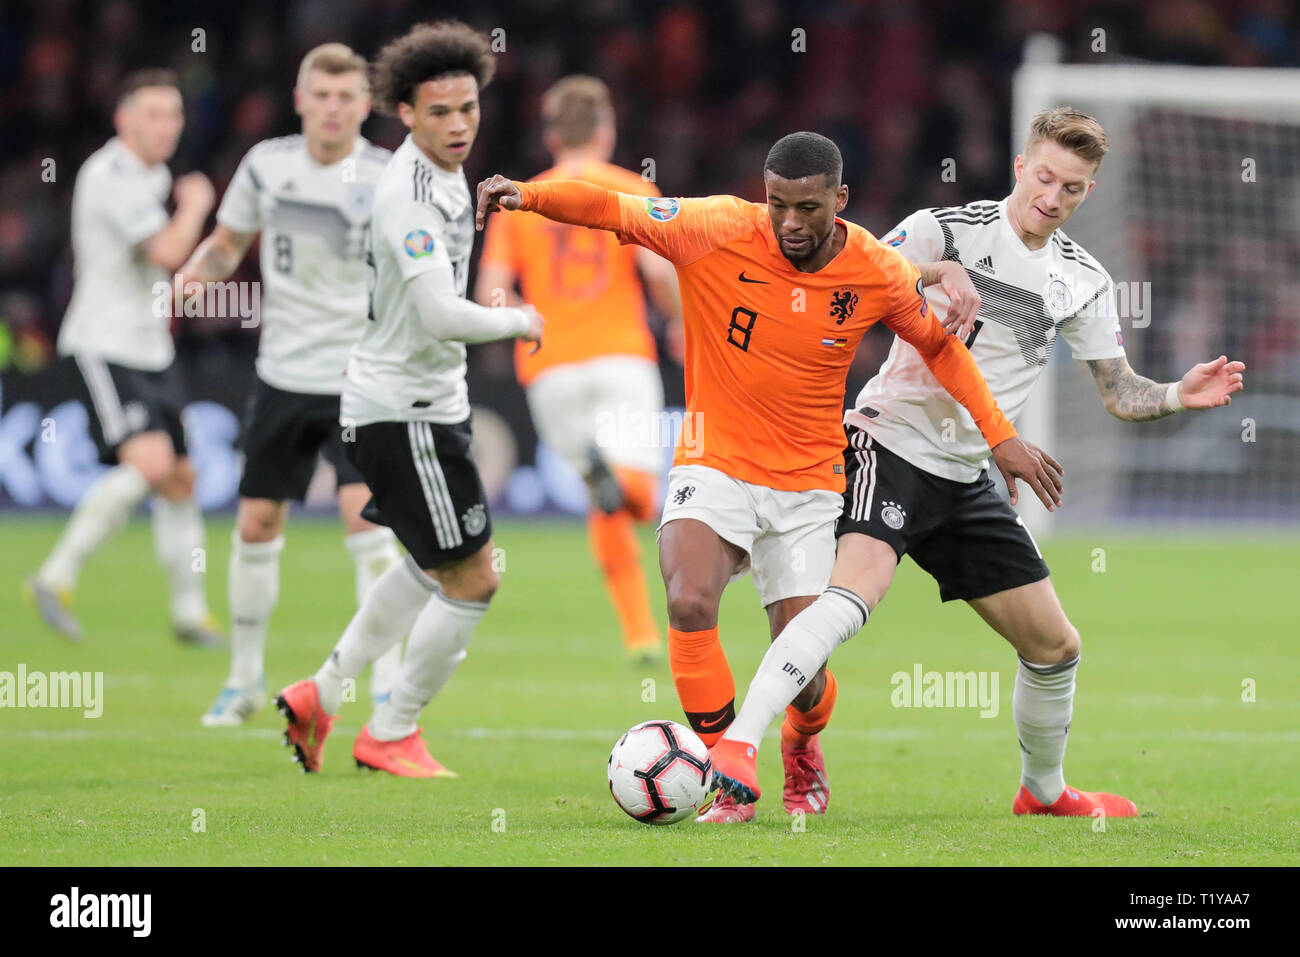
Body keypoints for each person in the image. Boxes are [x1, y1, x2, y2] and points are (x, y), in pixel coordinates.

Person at [475, 131, 1058, 821]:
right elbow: (612, 207)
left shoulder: (875, 269)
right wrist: (530, 195)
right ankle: (725, 773)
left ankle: (802, 743)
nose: (788, 221)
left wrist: (1002, 435)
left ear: (839, 200)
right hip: (712, 457)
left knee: (805, 676)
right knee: (690, 597)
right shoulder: (717, 225)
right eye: (777, 202)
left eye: (806, 208)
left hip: (810, 485)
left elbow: (941, 349)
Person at [709, 107, 1246, 820]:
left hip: (968, 476)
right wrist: (934, 273)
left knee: (1055, 644)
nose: (1053, 198)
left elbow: (1118, 390)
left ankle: (1044, 790)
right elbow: (859, 269)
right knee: (853, 598)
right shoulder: (947, 227)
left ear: (1087, 193)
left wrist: (1179, 391)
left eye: (1073, 189)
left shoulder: (1082, 279)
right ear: (1021, 167)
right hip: (889, 441)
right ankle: (740, 744)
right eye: (1046, 178)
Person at [274, 21, 543, 776]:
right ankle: (391, 729)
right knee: (476, 575)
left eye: (468, 108)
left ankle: (319, 693)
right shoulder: (407, 196)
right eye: (439, 113)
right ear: (403, 112)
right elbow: (439, 315)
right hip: (404, 411)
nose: (458, 125)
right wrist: (519, 319)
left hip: (419, 403)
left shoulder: (446, 174)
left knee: (432, 565)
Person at [178, 43, 403, 727]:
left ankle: (388, 690)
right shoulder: (266, 165)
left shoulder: (389, 176)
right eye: (321, 94)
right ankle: (244, 679)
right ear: (301, 99)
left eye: (347, 97)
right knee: (256, 522)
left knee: (365, 522)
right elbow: (226, 240)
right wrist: (198, 274)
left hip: (360, 376)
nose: (333, 107)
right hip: (281, 373)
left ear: (365, 105)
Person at [474, 75, 682, 663]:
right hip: (620, 355)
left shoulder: (517, 199)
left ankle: (640, 633)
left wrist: (518, 316)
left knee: (604, 498)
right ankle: (642, 623)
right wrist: (678, 323)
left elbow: (491, 292)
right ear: (606, 131)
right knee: (638, 492)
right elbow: (660, 272)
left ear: (549, 137)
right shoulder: (631, 187)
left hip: (549, 366)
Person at [27, 69, 222, 647]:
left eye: (174, 114)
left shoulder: (150, 173)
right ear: (124, 120)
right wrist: (197, 203)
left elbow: (162, 263)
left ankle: (189, 614)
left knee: (181, 477)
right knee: (152, 463)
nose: (167, 126)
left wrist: (185, 284)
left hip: (151, 347)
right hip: (104, 343)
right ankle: (54, 576)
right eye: (153, 114)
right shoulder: (109, 174)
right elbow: (165, 247)